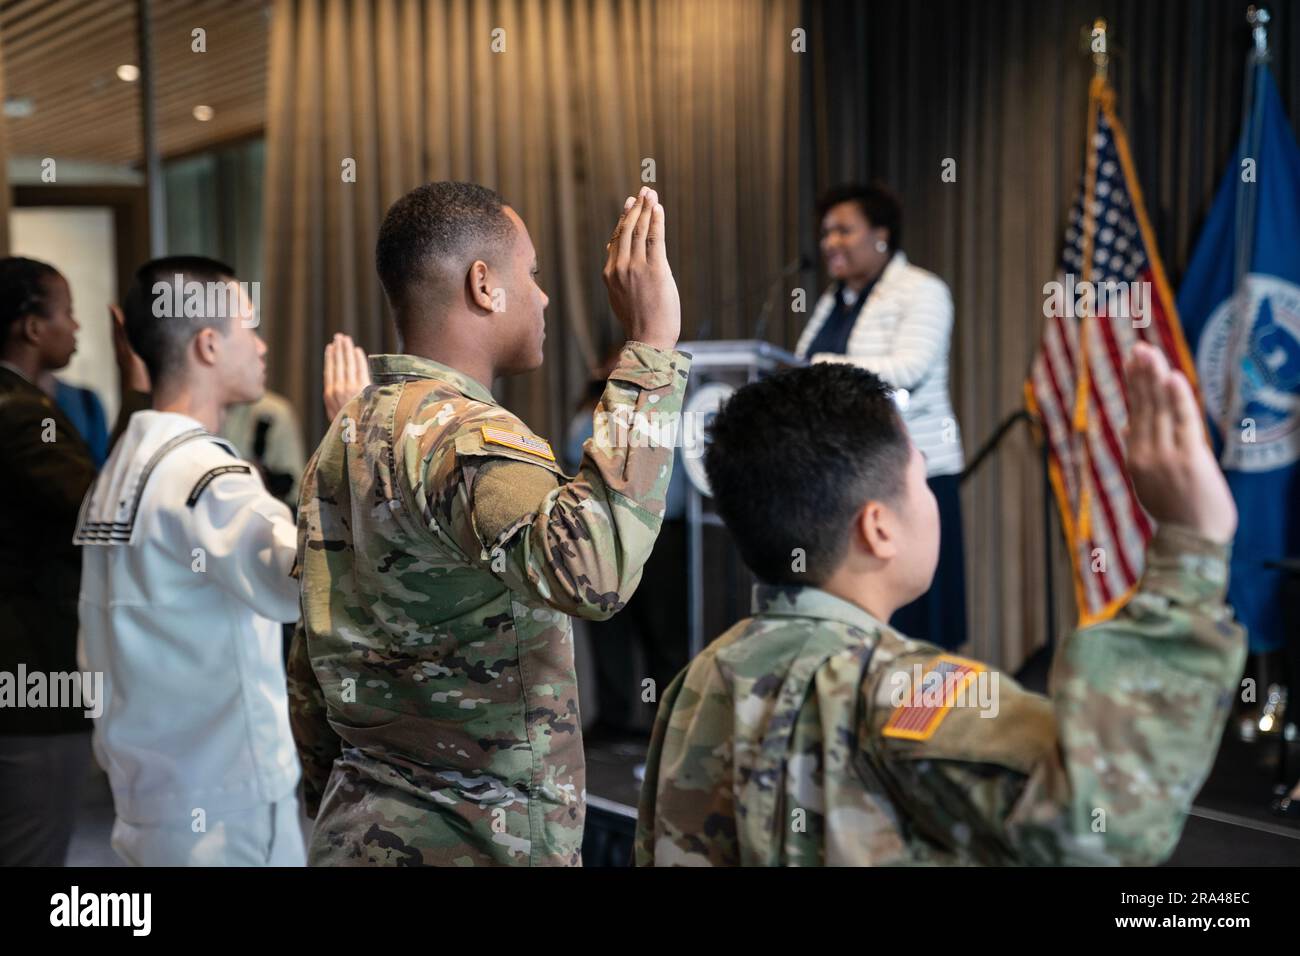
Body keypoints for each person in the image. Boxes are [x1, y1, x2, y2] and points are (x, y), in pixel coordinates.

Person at [635, 344, 1245, 865]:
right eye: (922, 480)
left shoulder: (694, 684)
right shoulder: (900, 688)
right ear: (878, 528)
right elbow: (1102, 823)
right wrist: (1192, 547)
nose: (931, 502)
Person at [289, 182, 689, 866]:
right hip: (478, 843)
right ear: (483, 284)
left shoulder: (348, 432)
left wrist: (339, 802)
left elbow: (311, 661)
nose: (542, 297)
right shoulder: (466, 437)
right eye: (530, 274)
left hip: (358, 832)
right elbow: (595, 573)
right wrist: (651, 346)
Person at [74, 255, 366, 866]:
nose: (260, 347)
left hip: (151, 801)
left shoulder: (124, 462)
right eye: (247, 329)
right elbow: (306, 578)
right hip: (224, 810)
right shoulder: (206, 473)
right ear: (208, 344)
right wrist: (354, 437)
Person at [0, 257, 146, 866]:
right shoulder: (21, 412)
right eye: (65, 313)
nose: (77, 326)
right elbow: (102, 512)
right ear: (33, 327)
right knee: (32, 847)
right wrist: (137, 386)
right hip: (31, 669)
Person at [797, 183, 966, 649]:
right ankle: (874, 717)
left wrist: (823, 367)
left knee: (920, 626)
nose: (830, 242)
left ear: (881, 235)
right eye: (826, 232)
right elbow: (802, 362)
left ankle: (933, 718)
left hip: (915, 475)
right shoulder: (835, 299)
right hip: (853, 476)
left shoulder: (923, 290)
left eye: (844, 230)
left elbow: (907, 371)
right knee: (870, 620)